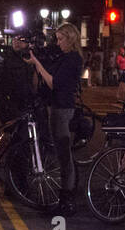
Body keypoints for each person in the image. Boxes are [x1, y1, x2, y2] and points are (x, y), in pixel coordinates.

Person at [27, 22, 84, 215]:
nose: (58, 43)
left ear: (71, 39)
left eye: (61, 39)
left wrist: (37, 64)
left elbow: (54, 82)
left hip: (63, 109)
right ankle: (66, 197)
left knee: (64, 156)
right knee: (62, 154)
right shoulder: (65, 57)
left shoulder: (73, 59)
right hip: (58, 107)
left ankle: (66, 201)